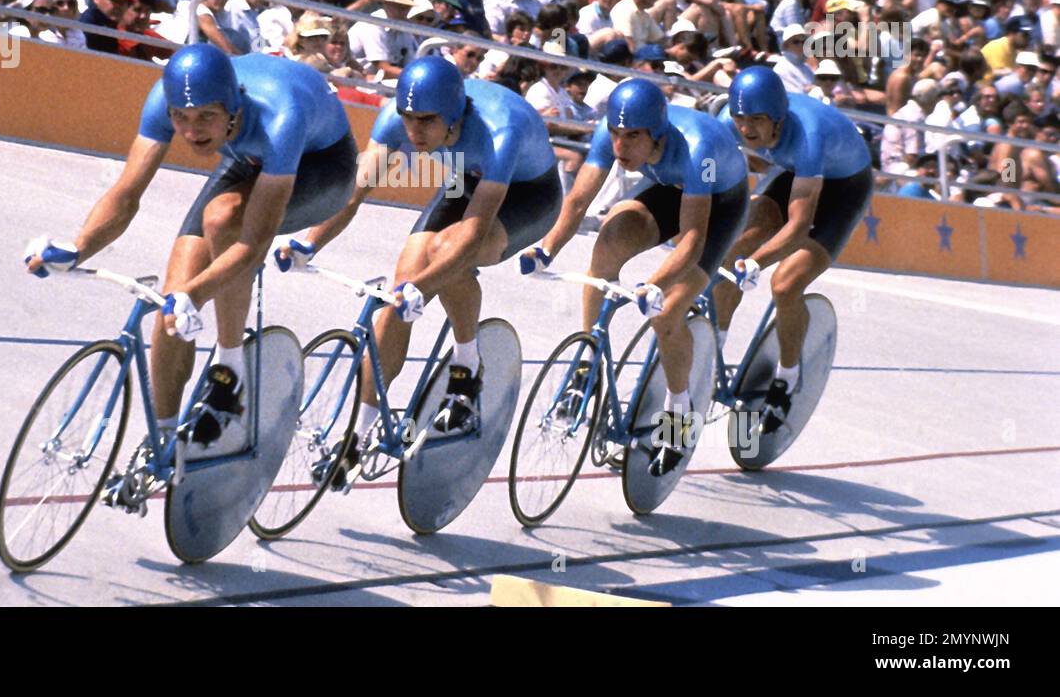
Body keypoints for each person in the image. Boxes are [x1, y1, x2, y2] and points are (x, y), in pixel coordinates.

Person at [24, 46, 358, 454]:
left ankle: (228, 371)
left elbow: (252, 244)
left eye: (204, 118)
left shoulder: (280, 117)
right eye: (180, 118)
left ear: (233, 106)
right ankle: (163, 441)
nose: (191, 131)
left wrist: (197, 297)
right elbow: (127, 193)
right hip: (248, 155)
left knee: (223, 221)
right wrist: (77, 248)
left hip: (322, 166)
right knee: (172, 299)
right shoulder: (168, 99)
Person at [278, 55, 562, 484]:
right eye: (407, 119)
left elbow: (473, 233)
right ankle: (359, 435)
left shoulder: (501, 130)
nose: (413, 133)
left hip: (528, 193)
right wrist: (308, 242)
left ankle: (467, 370)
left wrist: (424, 286)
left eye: (426, 122)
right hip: (466, 178)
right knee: (398, 295)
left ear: (454, 115)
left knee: (449, 255)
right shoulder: (400, 122)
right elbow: (353, 192)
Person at [521, 78, 750, 476]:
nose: (620, 147)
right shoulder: (612, 135)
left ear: (656, 134)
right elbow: (577, 200)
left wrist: (654, 285)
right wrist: (545, 249)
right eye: (615, 135)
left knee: (667, 313)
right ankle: (586, 361)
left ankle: (679, 420)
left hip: (718, 202)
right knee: (610, 238)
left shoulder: (702, 150)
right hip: (668, 187)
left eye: (632, 137)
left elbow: (693, 238)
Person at [713, 66, 874, 436]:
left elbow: (798, 227)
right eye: (740, 118)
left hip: (844, 188)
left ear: (778, 118)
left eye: (756, 120)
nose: (746, 128)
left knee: (785, 283)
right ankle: (713, 348)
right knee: (730, 251)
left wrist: (755, 263)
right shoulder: (728, 121)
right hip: (796, 172)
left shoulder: (808, 134)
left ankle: (787, 377)